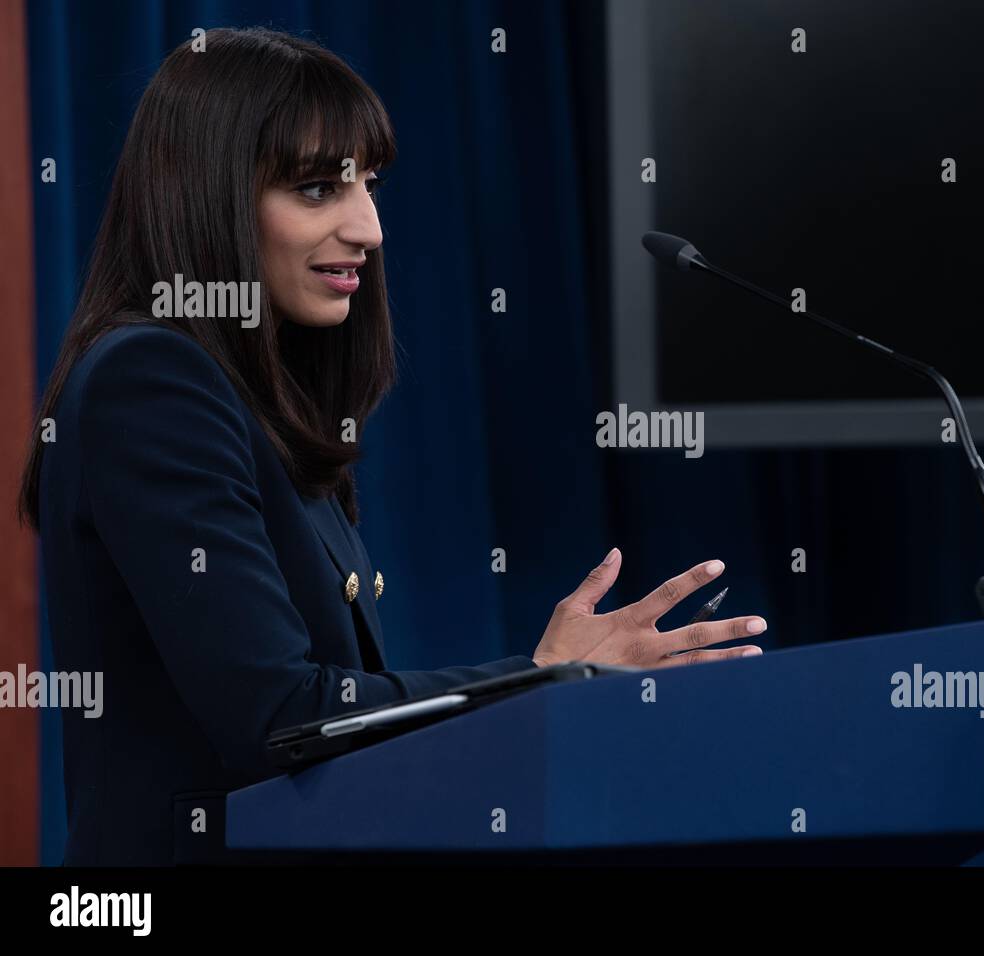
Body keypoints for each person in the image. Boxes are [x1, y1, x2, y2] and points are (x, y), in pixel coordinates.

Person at [17, 27, 764, 866]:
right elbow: (283, 718)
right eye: (315, 189)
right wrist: (542, 676)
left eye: (369, 186)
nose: (368, 228)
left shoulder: (267, 402)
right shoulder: (151, 379)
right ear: (206, 196)